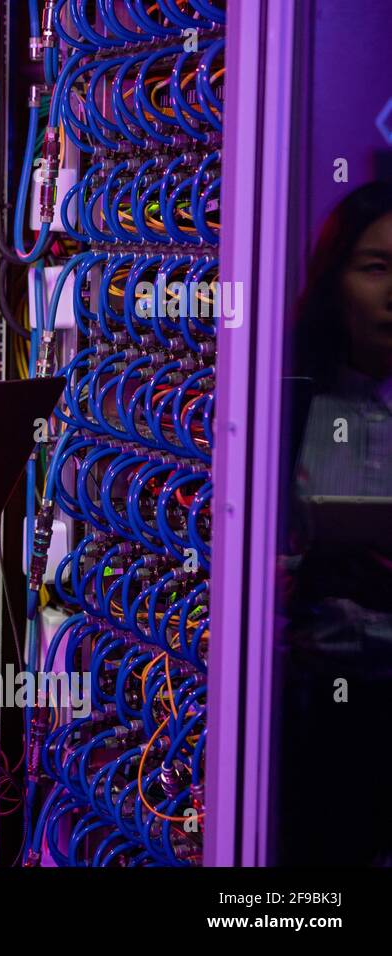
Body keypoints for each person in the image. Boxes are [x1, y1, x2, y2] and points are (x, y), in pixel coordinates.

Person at [276, 180, 392, 864]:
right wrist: (301, 575)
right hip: (314, 713)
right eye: (376, 268)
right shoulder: (284, 404)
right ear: (333, 278)